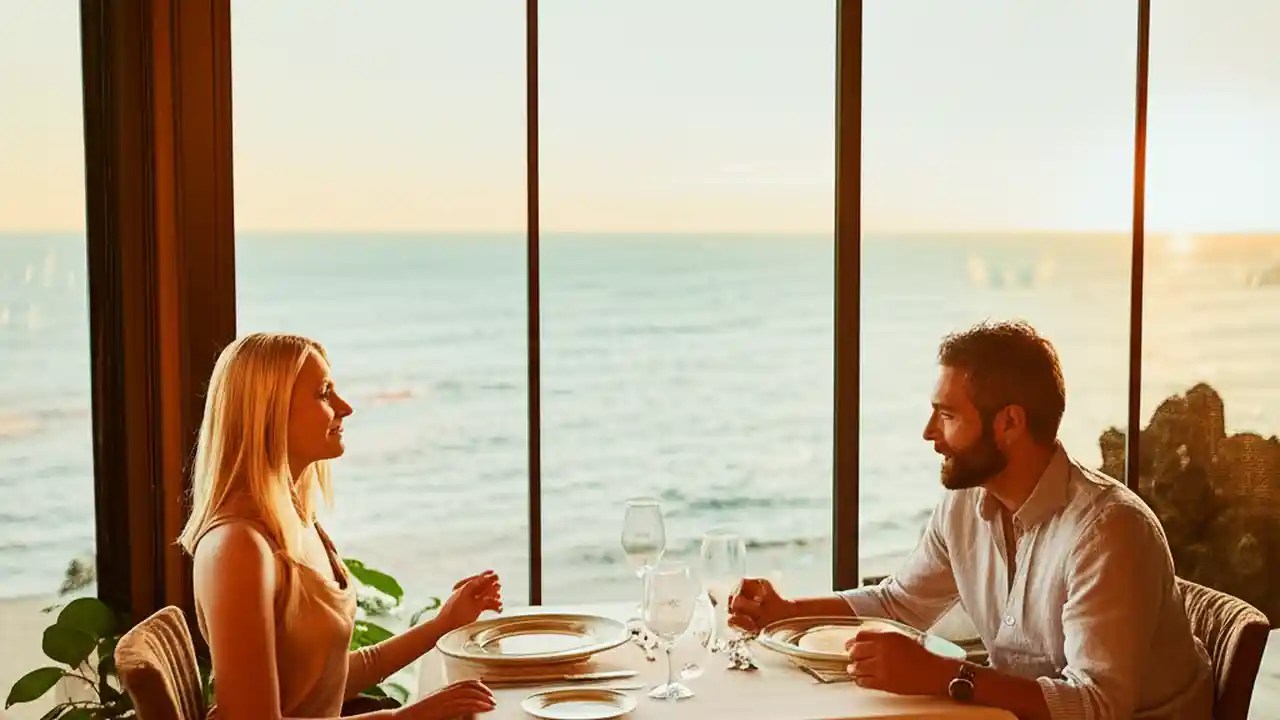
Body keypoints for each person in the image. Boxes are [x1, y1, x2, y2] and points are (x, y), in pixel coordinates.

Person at [730, 320, 1213, 719]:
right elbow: (899, 604)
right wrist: (787, 612)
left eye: (947, 415)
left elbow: (1096, 705)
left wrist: (942, 676)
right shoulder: (966, 505)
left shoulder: (1108, 531)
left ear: (1009, 424)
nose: (929, 433)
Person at [178, 333, 502, 719]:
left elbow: (326, 682)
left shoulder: (294, 520)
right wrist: (405, 718)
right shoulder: (238, 546)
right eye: (324, 393)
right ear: (269, 410)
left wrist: (442, 625)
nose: (345, 408)